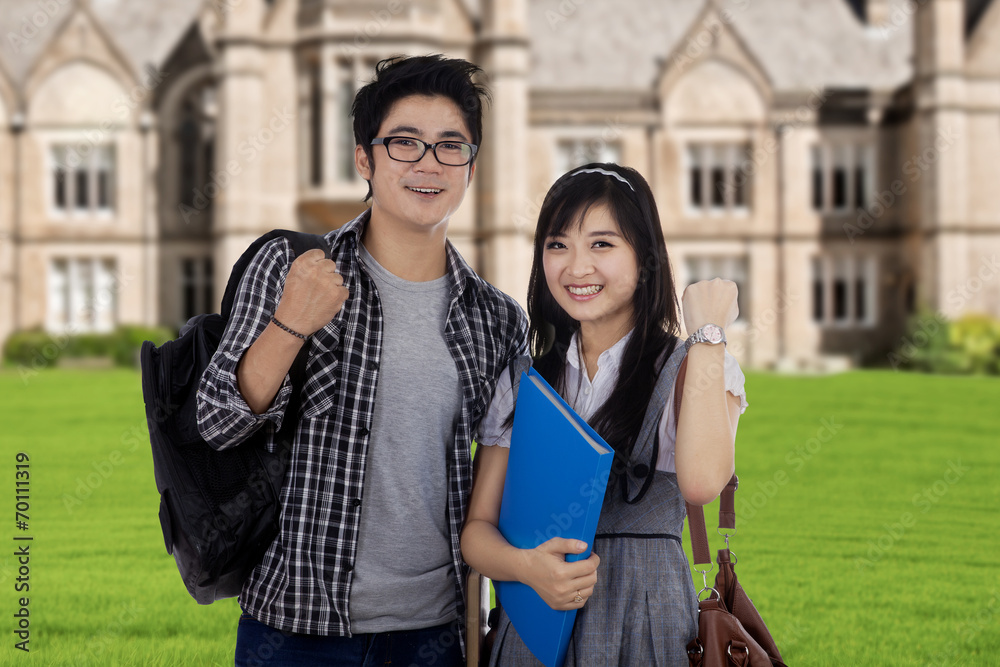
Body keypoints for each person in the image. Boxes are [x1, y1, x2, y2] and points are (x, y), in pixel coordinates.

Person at [197, 55, 527, 667]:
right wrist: (292, 321)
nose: (428, 163)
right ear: (364, 160)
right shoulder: (291, 269)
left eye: (449, 146)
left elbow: (498, 494)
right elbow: (218, 418)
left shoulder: (498, 321)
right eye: (404, 143)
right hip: (294, 629)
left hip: (434, 634)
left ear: (470, 167)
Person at [460, 163, 746, 666]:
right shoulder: (526, 380)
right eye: (557, 244)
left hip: (646, 627)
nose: (576, 267)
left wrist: (708, 335)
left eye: (601, 244)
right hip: (533, 631)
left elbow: (702, 483)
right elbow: (477, 532)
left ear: (646, 258)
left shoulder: (692, 367)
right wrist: (526, 568)